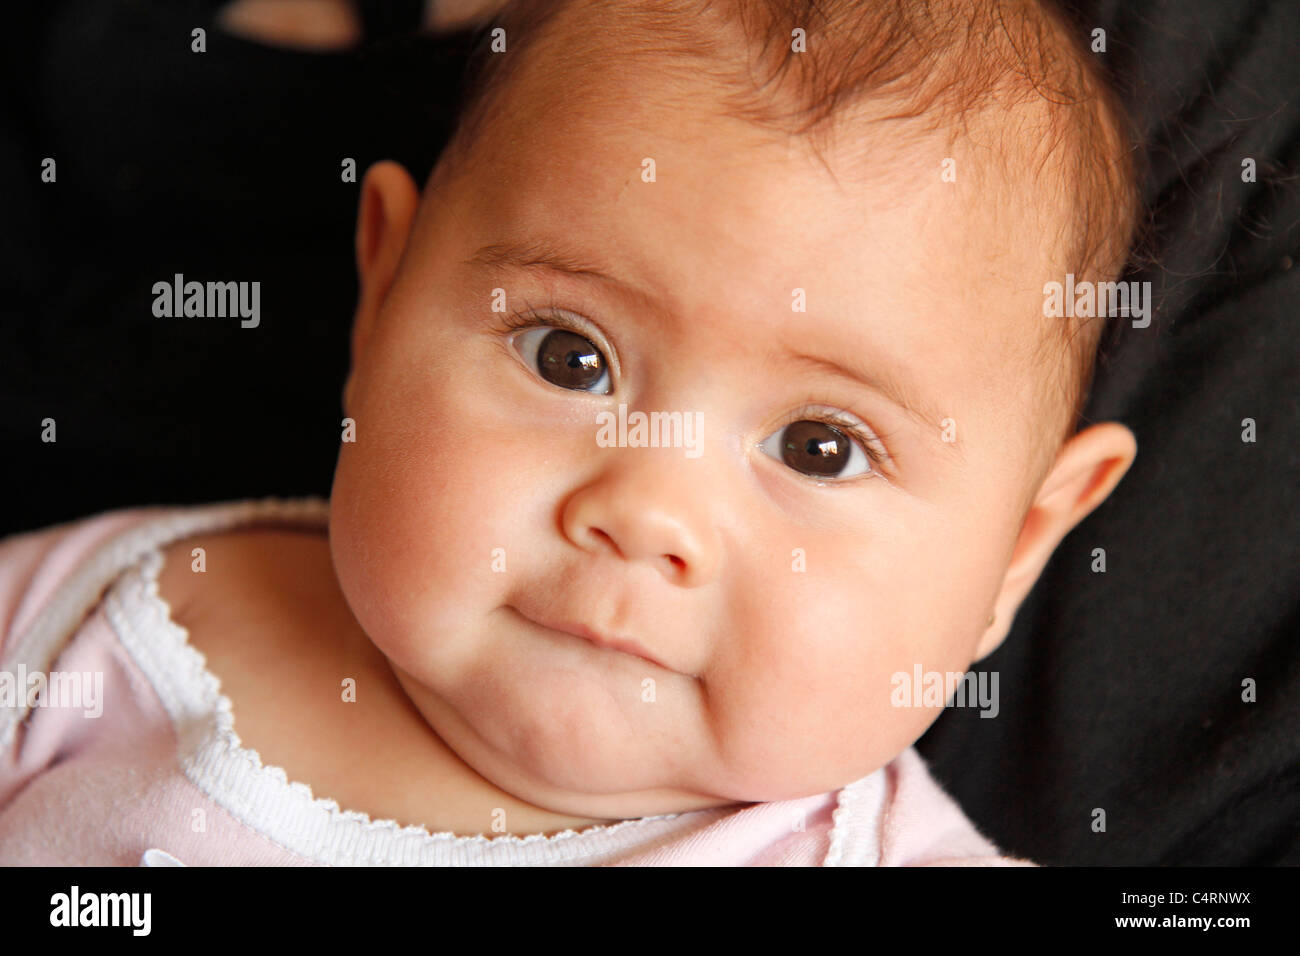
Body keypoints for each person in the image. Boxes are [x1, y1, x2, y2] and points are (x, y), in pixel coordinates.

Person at [0, 0, 1141, 865]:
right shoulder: (95, 614)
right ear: (383, 294)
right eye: (568, 357)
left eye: (818, 447)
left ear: (1016, 548)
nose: (644, 512)